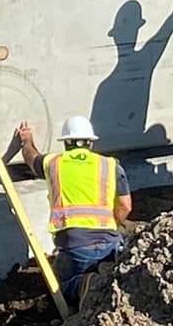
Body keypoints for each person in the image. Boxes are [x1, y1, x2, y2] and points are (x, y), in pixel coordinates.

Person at [15, 114, 130, 305]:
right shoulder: (110, 165)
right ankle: (107, 281)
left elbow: (31, 157)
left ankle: (83, 285)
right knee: (114, 275)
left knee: (58, 290)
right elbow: (125, 206)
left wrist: (27, 140)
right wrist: (110, 225)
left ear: (66, 142)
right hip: (110, 244)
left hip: (75, 247)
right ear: (91, 142)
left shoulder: (54, 164)